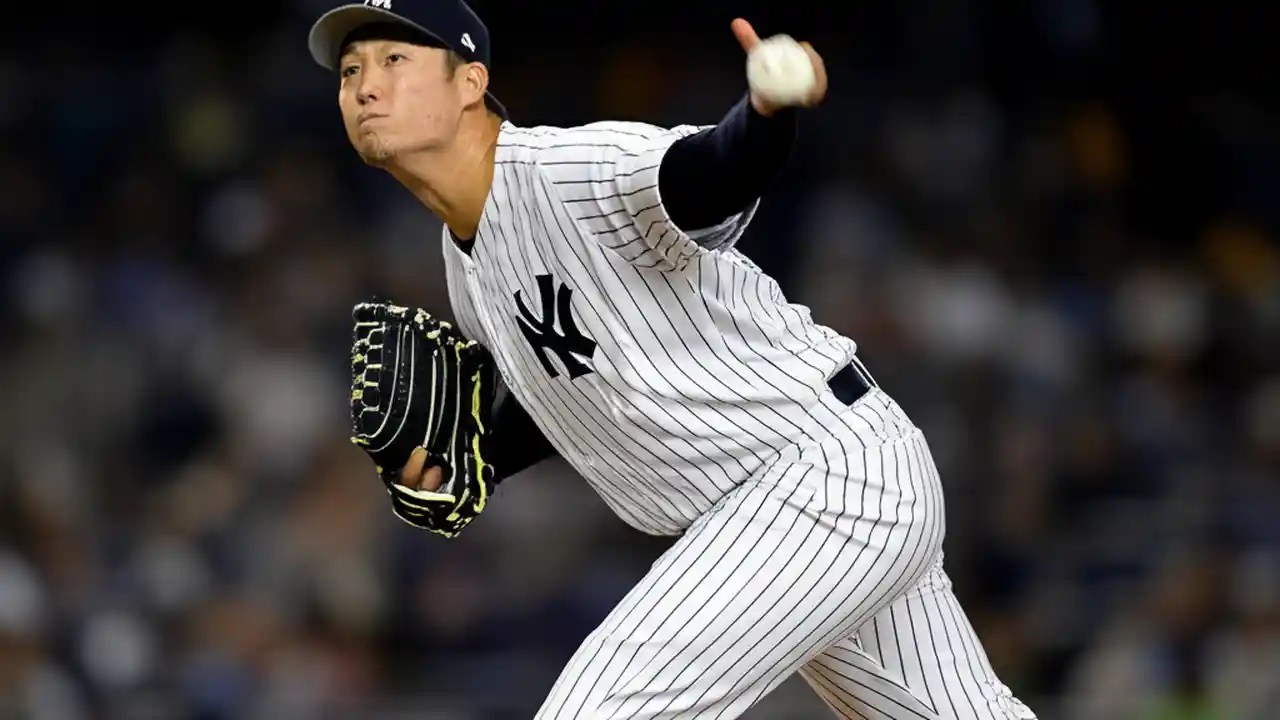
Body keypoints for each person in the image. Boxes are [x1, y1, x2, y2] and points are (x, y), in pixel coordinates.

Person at [309, 1, 1039, 717]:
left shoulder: (566, 170)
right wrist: (477, 456)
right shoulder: (464, 265)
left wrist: (765, 110)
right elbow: (571, 390)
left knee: (607, 705)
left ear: (470, 82)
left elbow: (711, 172)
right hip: (780, 511)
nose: (365, 86)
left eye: (394, 60)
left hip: (821, 478)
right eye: (350, 71)